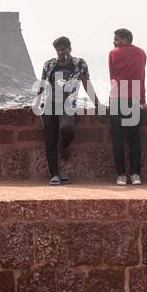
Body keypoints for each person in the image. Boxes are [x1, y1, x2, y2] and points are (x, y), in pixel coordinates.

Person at [37, 37, 91, 185]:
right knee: (50, 139)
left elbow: (86, 83)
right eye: (58, 50)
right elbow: (42, 84)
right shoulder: (49, 64)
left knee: (67, 129)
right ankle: (54, 173)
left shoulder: (79, 64)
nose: (61, 52)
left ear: (70, 49)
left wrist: (97, 104)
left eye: (64, 49)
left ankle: (64, 146)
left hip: (68, 105)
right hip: (48, 105)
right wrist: (36, 102)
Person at [108, 28, 147, 185]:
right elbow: (142, 77)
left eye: (116, 39)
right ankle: (135, 174)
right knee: (134, 138)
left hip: (117, 97)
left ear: (124, 40)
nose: (114, 42)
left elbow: (112, 76)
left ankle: (121, 175)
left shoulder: (113, 53)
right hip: (134, 98)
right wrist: (142, 99)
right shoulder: (141, 53)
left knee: (117, 138)